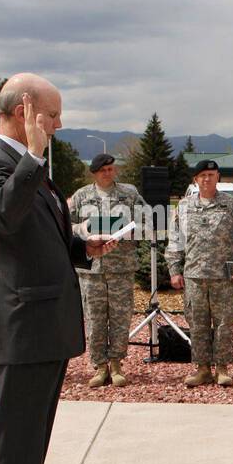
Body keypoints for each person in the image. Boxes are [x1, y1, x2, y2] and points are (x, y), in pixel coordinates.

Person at [0, 73, 113, 464]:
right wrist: (32, 157)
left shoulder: (24, 165)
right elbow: (3, 220)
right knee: (16, 441)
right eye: (51, 114)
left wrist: (82, 246)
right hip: (22, 328)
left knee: (32, 439)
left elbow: (37, 232)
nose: (58, 122)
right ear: (22, 110)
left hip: (41, 327)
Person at [166, 160, 233, 388]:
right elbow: (175, 241)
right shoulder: (184, 207)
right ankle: (203, 368)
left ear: (218, 177)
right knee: (197, 323)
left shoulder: (231, 205)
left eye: (211, 175)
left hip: (225, 276)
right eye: (202, 175)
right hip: (195, 276)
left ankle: (222, 368)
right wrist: (175, 271)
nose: (207, 179)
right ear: (195, 180)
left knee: (225, 323)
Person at [68, 153, 150, 387]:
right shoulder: (82, 196)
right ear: (94, 173)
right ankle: (99, 366)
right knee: (94, 319)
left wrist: (130, 231)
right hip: (91, 270)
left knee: (120, 318)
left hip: (121, 268)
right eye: (103, 170)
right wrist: (84, 231)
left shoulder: (129, 194)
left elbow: (149, 222)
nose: (108, 173)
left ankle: (116, 364)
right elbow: (67, 226)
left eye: (111, 169)